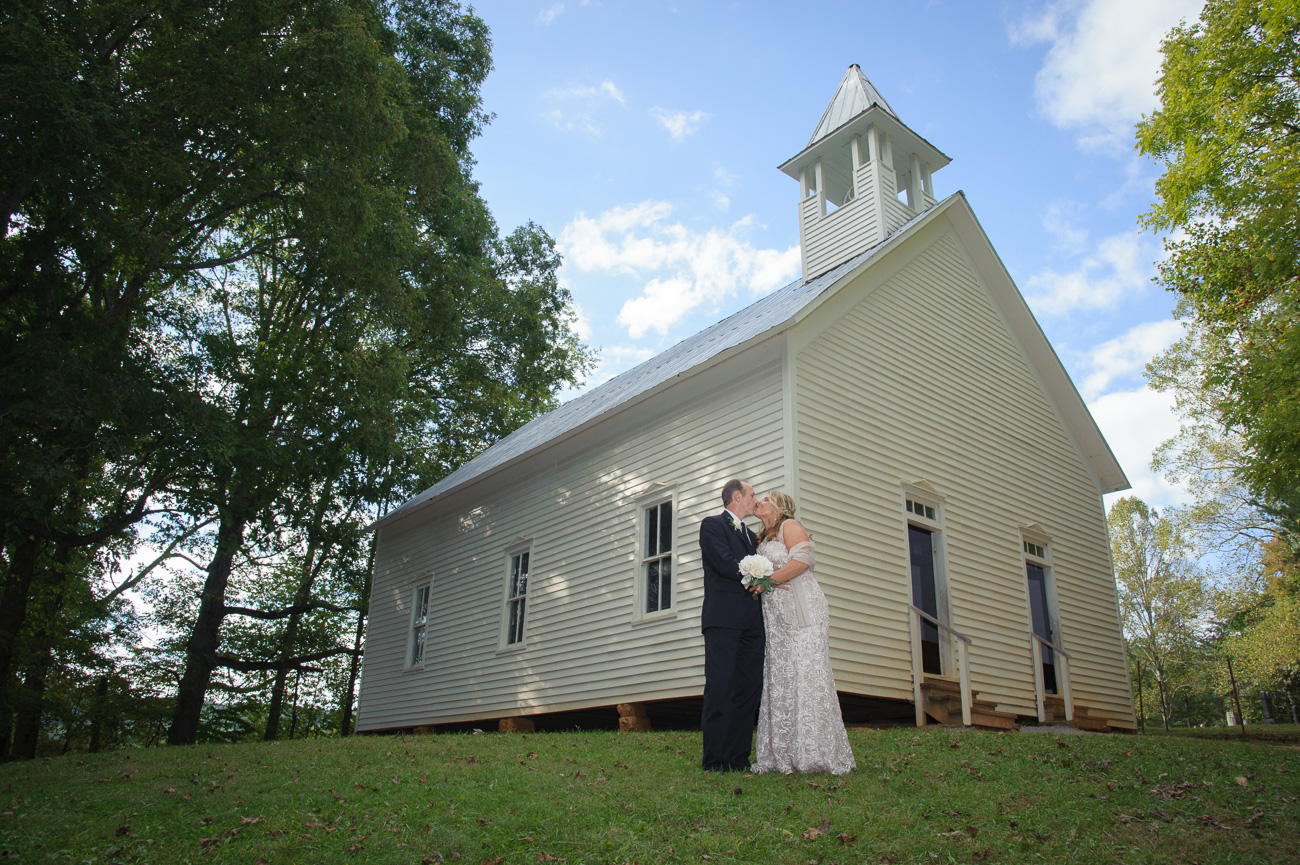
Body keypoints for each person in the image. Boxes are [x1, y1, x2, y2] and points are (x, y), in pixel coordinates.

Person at [750, 491, 855, 775]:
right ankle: (782, 752)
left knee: (806, 670)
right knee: (782, 674)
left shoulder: (790, 526)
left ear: (778, 506)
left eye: (763, 498)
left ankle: (813, 751)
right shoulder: (763, 535)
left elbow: (802, 562)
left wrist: (766, 582)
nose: (757, 502)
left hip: (803, 608)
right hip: (777, 615)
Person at [698, 478, 766, 772]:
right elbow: (725, 563)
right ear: (737, 497)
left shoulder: (752, 535)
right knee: (720, 687)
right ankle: (715, 760)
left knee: (749, 689)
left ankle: (739, 758)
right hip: (723, 620)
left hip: (752, 622)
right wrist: (759, 579)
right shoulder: (712, 525)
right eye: (752, 494)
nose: (756, 499)